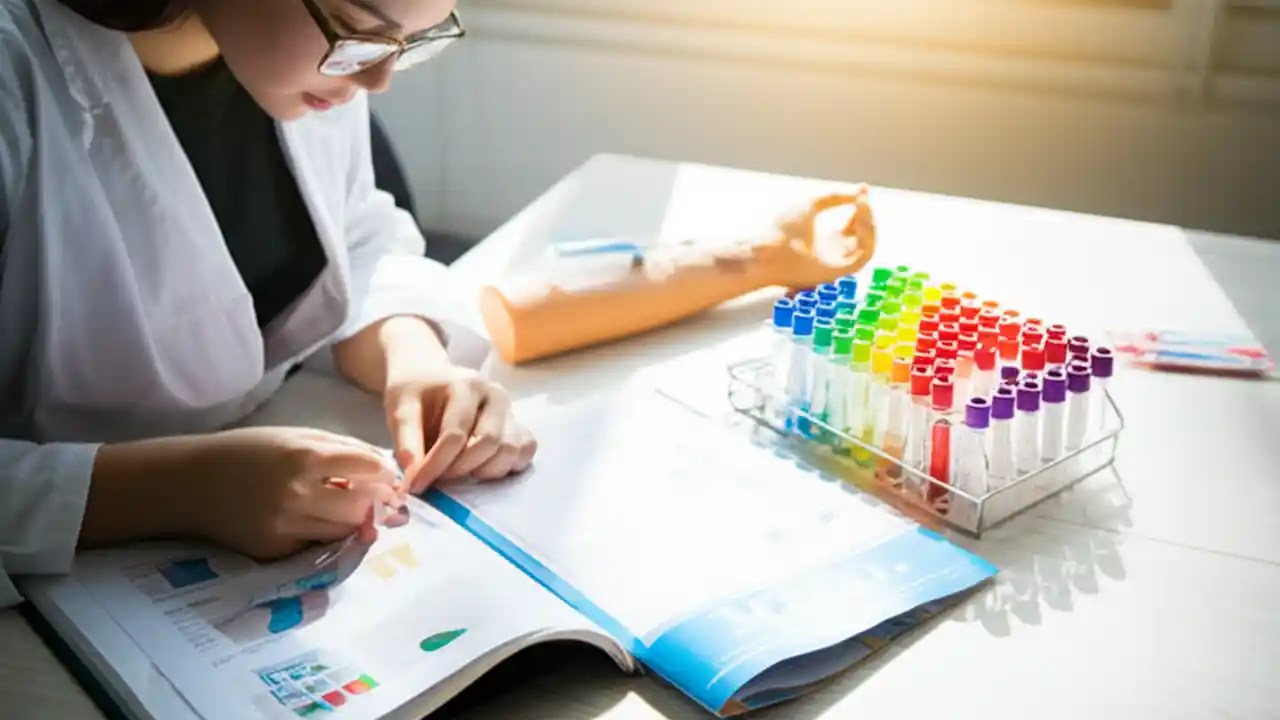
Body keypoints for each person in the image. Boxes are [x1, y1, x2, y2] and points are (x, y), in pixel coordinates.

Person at [0, 0, 537, 608]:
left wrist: (413, 359)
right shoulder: (14, 80)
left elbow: (357, 233)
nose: (376, 80)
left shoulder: (299, 60)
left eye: (413, 39)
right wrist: (171, 490)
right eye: (363, 33)